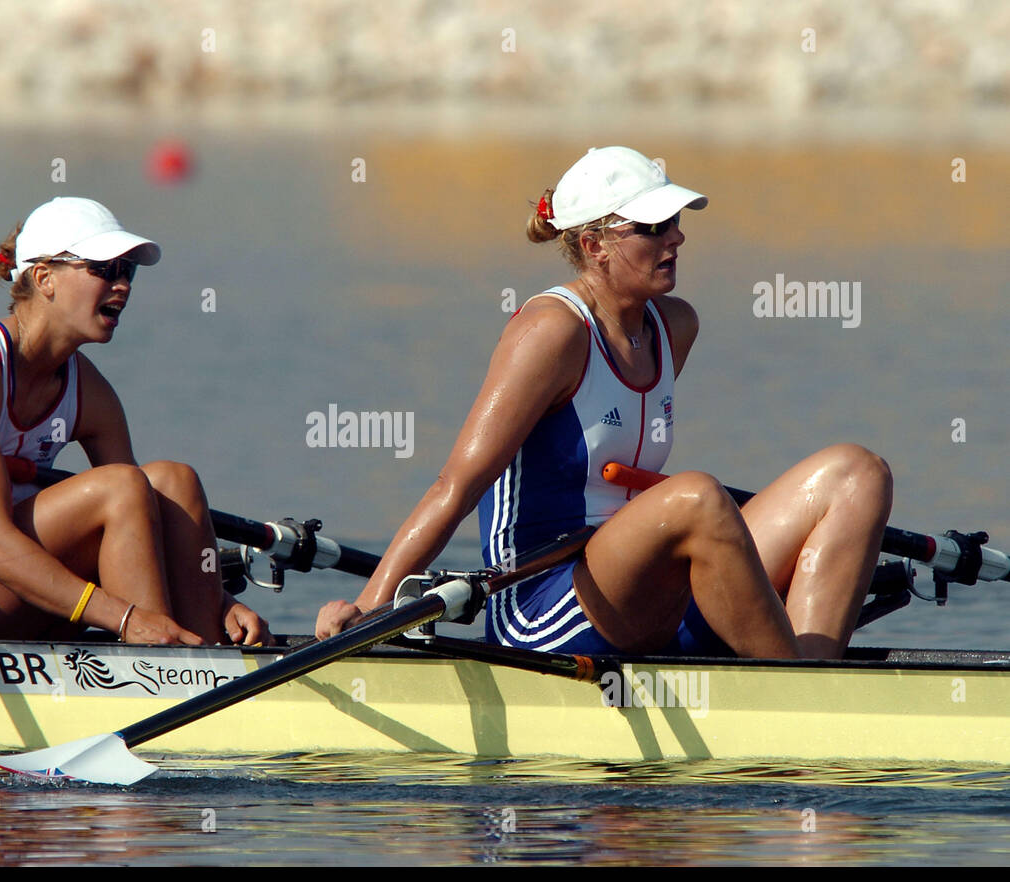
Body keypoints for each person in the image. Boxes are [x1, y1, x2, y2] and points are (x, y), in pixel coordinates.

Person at [317, 147, 891, 659]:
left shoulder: (675, 325)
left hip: (646, 591)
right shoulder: (551, 333)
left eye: (676, 222)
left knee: (857, 474)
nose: (677, 238)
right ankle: (795, 695)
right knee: (695, 497)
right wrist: (371, 607)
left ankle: (814, 674)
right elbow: (455, 487)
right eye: (654, 225)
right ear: (594, 246)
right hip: (543, 604)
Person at [0, 197, 268, 646]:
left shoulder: (90, 391)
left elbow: (148, 527)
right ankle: (160, 670)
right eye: (103, 270)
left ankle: (200, 653)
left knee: (172, 482)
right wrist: (125, 619)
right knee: (120, 488)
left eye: (127, 271)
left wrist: (218, 599)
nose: (123, 286)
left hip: (8, 582)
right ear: (44, 278)